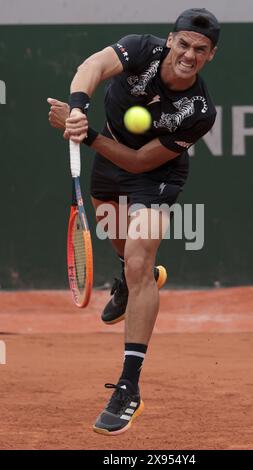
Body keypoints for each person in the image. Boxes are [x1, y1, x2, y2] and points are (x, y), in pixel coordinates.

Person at [48, 7, 220, 435]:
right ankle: (128, 279)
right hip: (108, 164)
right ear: (170, 40)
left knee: (140, 259)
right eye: (184, 44)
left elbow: (143, 163)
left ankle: (128, 387)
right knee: (121, 246)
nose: (189, 55)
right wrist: (77, 109)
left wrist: (87, 137)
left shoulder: (200, 111)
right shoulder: (141, 49)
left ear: (210, 56)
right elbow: (93, 66)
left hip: (154, 175)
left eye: (200, 50)